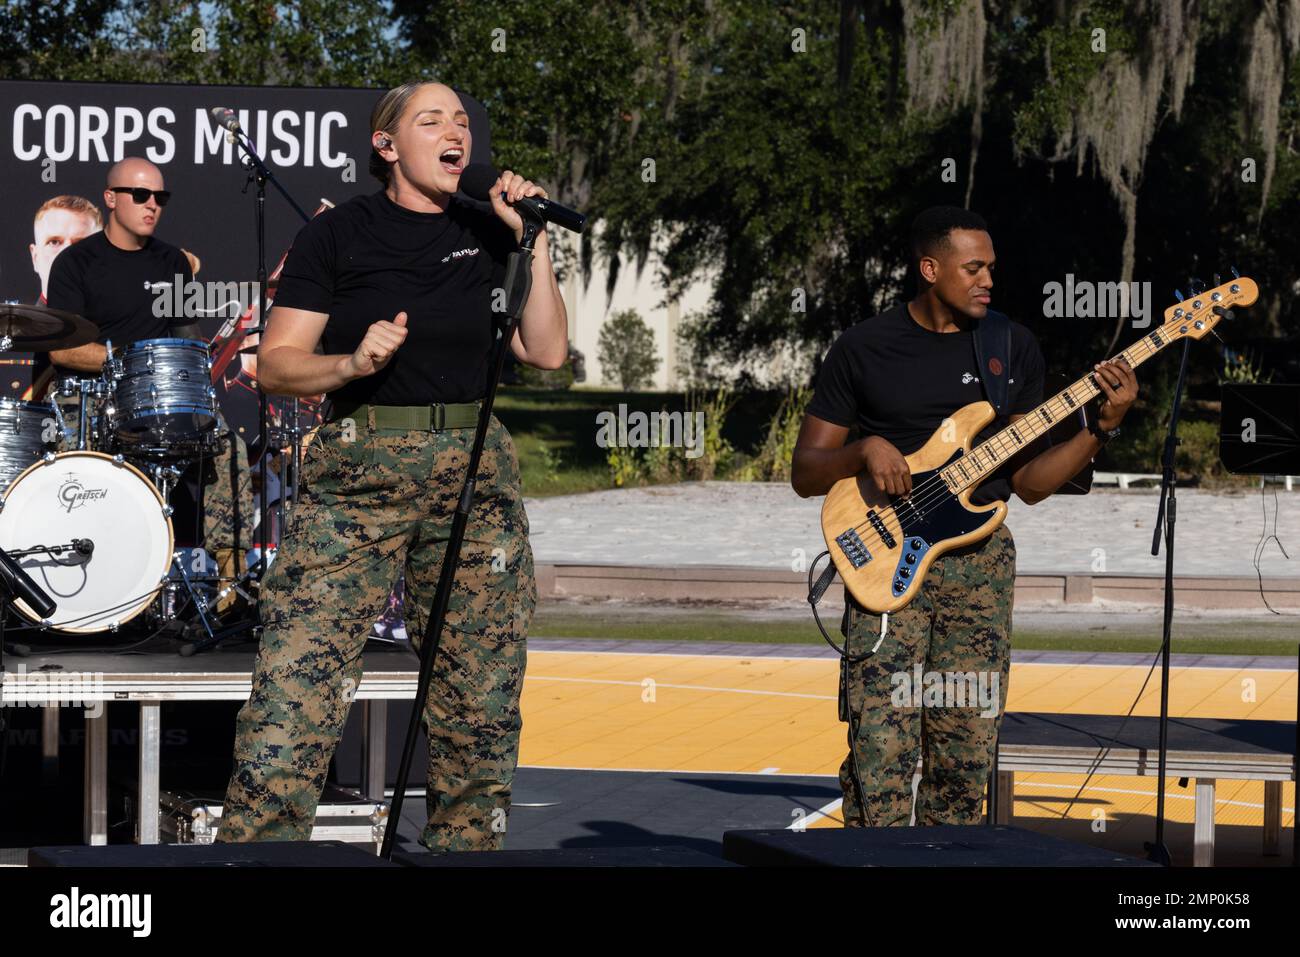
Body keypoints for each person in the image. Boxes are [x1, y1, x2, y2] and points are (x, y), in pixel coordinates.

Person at [215, 81, 568, 851]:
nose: (456, 133)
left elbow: (545, 351)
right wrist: (351, 360)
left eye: (463, 122)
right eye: (431, 120)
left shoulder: (492, 230)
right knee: (295, 694)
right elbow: (275, 366)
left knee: (479, 705)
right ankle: (259, 856)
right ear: (386, 146)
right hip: (362, 470)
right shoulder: (339, 236)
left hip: (474, 474)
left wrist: (530, 241)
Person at [791, 206, 1139, 827]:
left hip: (979, 567)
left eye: (991, 269)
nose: (988, 281)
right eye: (973, 268)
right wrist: (864, 450)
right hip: (887, 557)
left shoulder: (1010, 346)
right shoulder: (864, 346)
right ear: (931, 269)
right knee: (881, 751)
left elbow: (1029, 484)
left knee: (965, 751)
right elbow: (806, 471)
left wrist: (1100, 430)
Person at [42, 157, 252, 565]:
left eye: (160, 196)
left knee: (227, 446)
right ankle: (74, 564)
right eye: (140, 195)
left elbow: (187, 337)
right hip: (93, 395)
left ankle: (228, 577)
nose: (152, 204)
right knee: (70, 459)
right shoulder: (75, 262)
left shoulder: (171, 261)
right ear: (111, 199)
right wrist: (126, 357)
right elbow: (63, 351)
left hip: (158, 395)